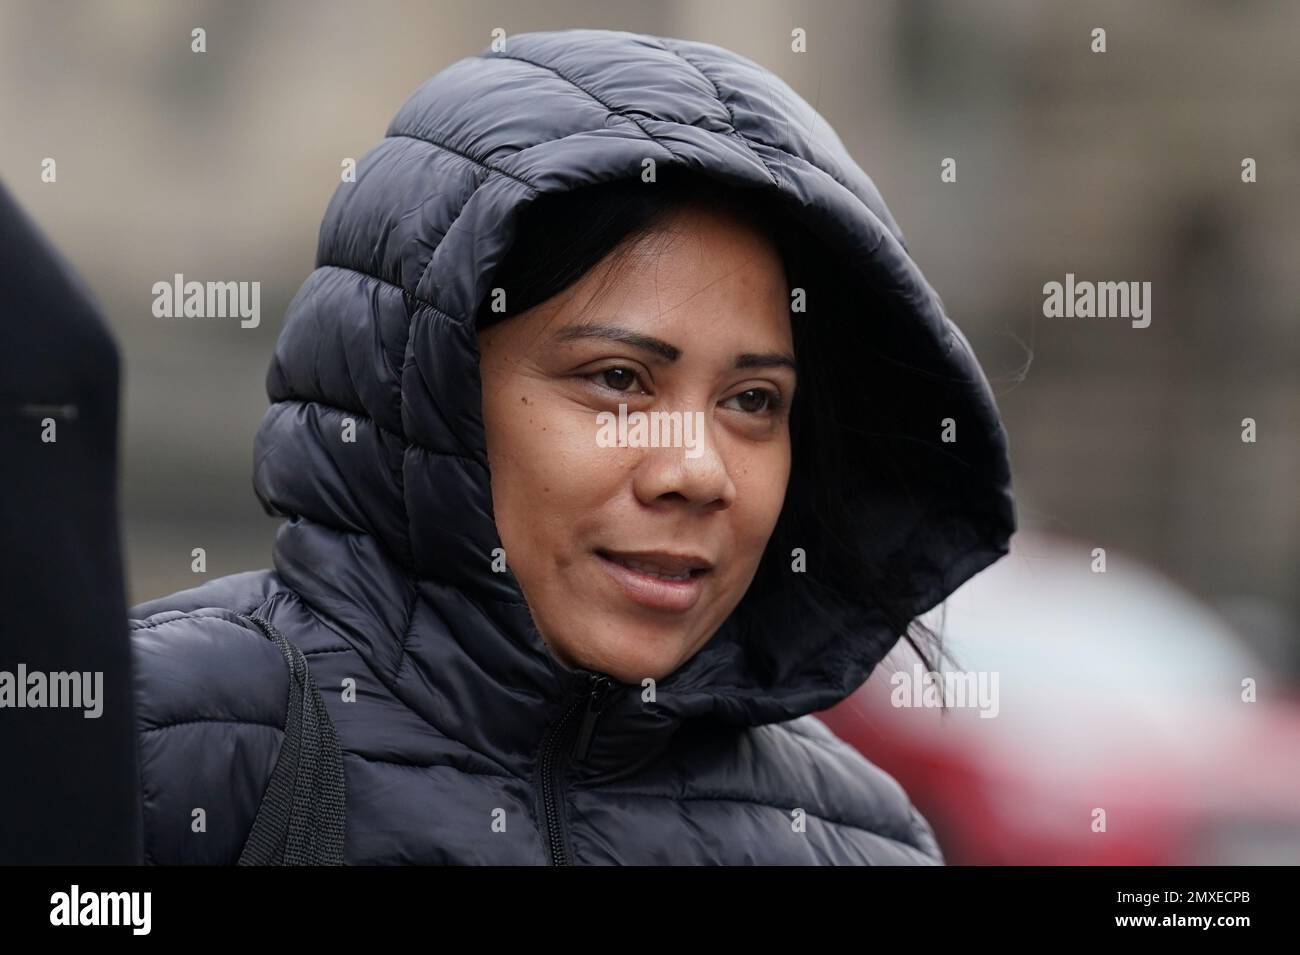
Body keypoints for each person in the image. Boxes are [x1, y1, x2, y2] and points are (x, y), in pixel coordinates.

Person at [128, 27, 1015, 865]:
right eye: (619, 380)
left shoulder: (857, 842)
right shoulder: (155, 746)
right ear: (427, 384)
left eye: (753, 401)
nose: (696, 472)